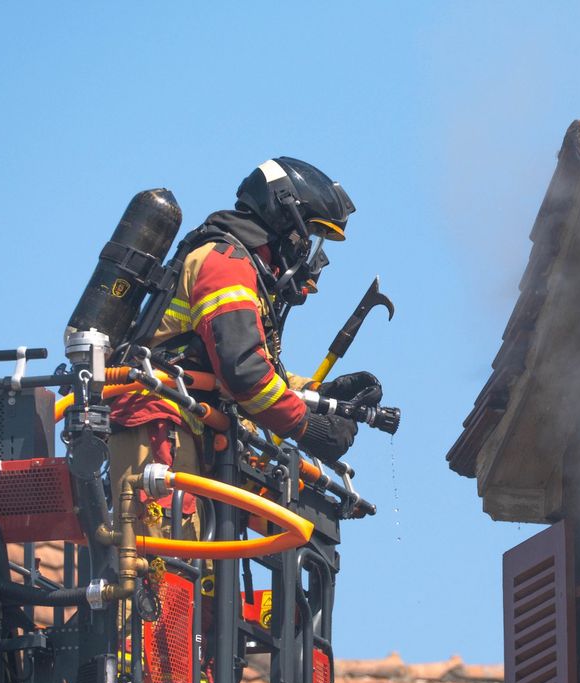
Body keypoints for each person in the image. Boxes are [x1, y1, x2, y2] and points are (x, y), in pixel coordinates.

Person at [107, 157, 380, 540]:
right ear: (284, 216)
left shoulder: (238, 265)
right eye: (311, 234)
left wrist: (324, 395)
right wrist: (306, 425)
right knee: (162, 576)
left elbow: (258, 370)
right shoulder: (226, 264)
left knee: (193, 576)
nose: (310, 251)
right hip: (160, 432)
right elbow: (244, 371)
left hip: (188, 431)